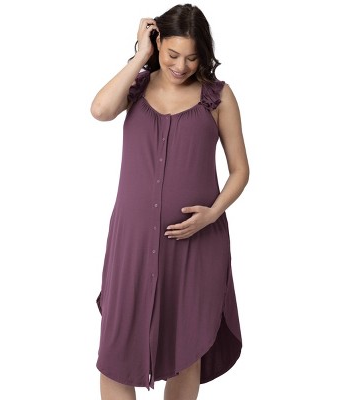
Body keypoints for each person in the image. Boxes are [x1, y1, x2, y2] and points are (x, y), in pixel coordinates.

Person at [90, 4, 249, 400]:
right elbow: (100, 110)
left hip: (195, 242)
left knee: (186, 349)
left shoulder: (218, 97)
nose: (181, 66)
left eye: (192, 57)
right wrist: (140, 55)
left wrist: (212, 214)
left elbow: (240, 170)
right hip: (132, 240)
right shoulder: (136, 86)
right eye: (172, 54)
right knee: (116, 351)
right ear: (157, 42)